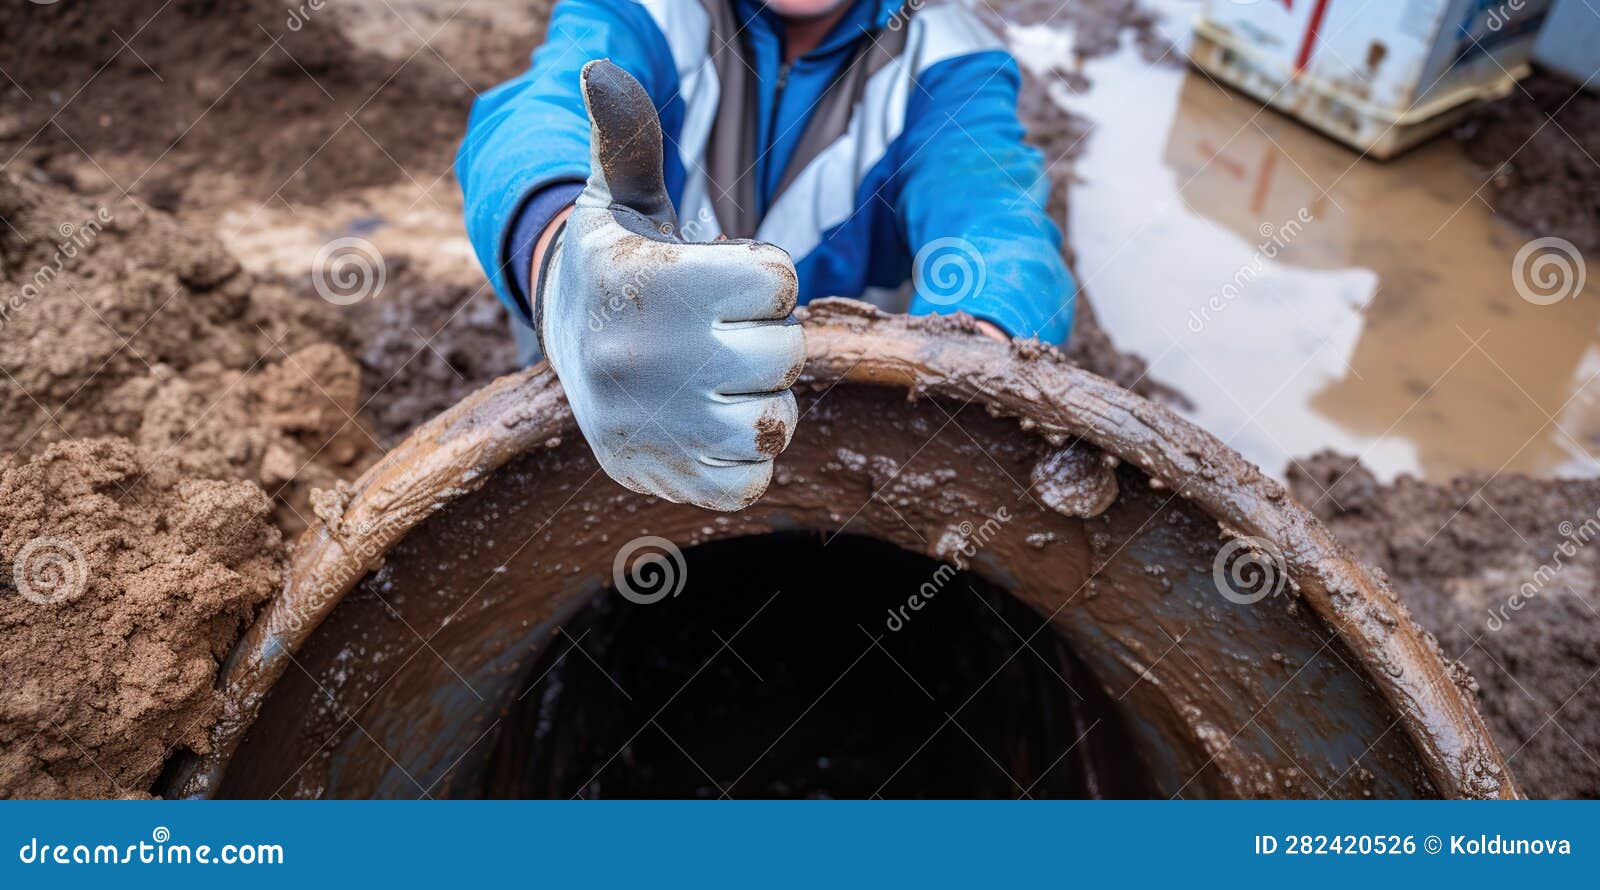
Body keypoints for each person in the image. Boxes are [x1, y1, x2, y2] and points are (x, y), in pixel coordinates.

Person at [456, 0, 1076, 512]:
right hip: (633, 376)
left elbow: (996, 221)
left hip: (838, 415)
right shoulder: (652, 13)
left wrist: (980, 344)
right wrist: (563, 254)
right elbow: (535, 120)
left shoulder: (945, 57)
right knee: (579, 279)